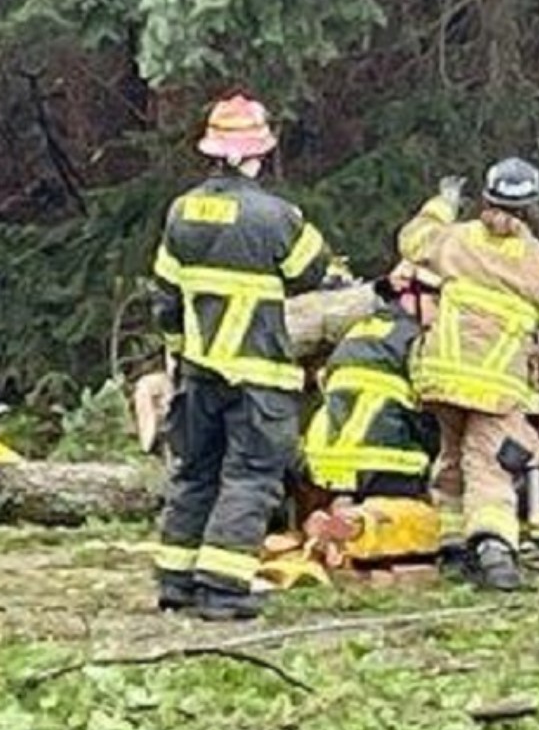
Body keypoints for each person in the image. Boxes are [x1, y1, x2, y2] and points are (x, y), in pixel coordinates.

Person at [151, 93, 332, 620]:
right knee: (252, 475)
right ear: (256, 154)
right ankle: (224, 588)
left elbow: (166, 297)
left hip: (200, 370)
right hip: (260, 373)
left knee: (196, 472)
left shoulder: (181, 211)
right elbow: (311, 272)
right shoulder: (275, 216)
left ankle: (176, 580)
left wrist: (183, 357)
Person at [397, 158, 539, 591]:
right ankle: (494, 552)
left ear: (486, 198)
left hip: (440, 376)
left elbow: (412, 240)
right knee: (490, 467)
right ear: (534, 207)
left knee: (452, 459)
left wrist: (443, 203)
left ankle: (451, 550)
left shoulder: (455, 241)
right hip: (497, 385)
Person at [299, 261, 443, 505]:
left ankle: (341, 520)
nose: (441, 315)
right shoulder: (419, 342)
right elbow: (431, 415)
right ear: (412, 296)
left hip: (325, 461)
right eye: (437, 303)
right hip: (386, 462)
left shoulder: (361, 329)